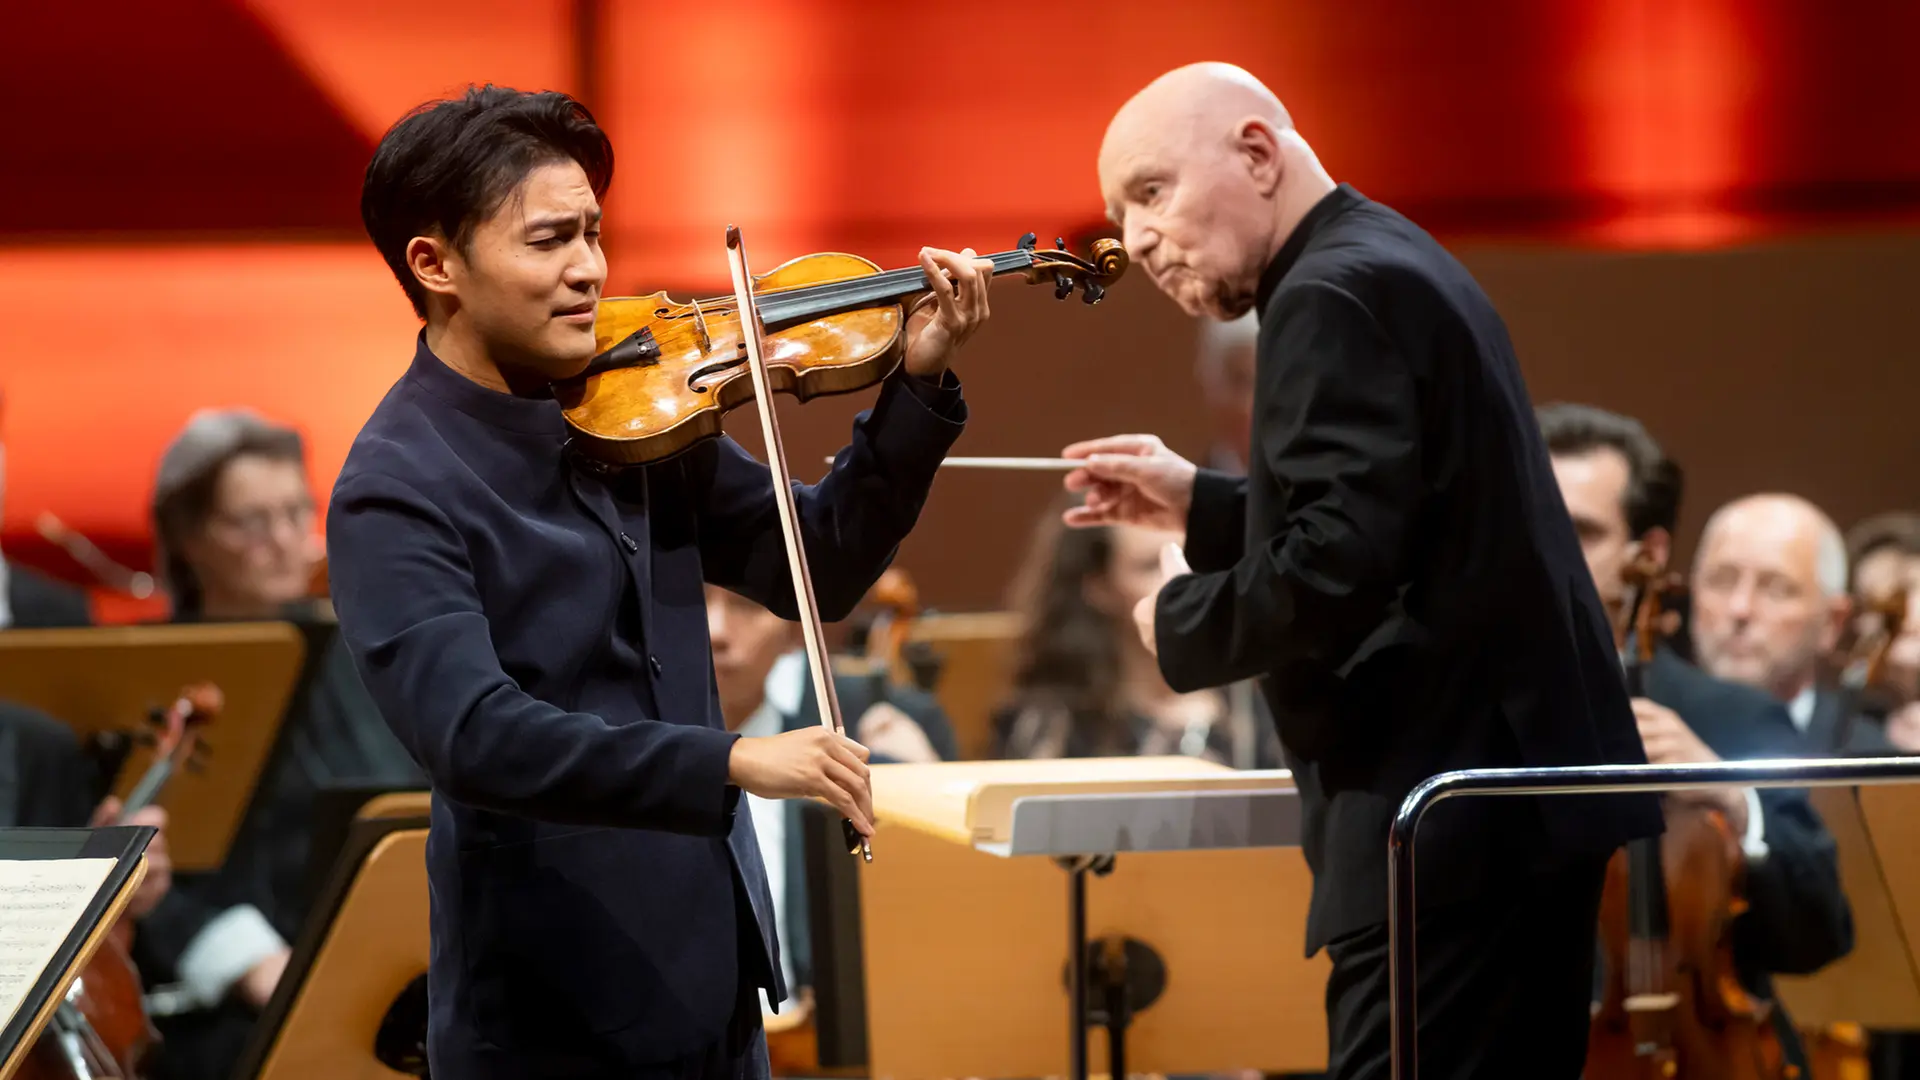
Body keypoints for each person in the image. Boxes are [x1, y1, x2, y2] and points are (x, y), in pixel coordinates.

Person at [326, 85, 989, 1078]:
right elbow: (476, 737)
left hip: (718, 988)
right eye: (548, 241)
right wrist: (730, 760)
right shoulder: (395, 487)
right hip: (551, 1018)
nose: (590, 270)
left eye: (593, 234)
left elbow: (820, 562)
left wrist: (918, 385)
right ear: (435, 264)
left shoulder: (635, 408)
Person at [1058, 63, 1660, 1079]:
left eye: (1152, 192)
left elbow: (1340, 563)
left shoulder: (1328, 293)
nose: (1139, 239)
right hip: (1501, 815)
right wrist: (1201, 502)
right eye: (1123, 216)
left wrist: (1181, 619)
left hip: (1451, 828)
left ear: (1257, 153)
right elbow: (1405, 520)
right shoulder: (1379, 258)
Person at [1538, 403, 1853, 1076]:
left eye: (1582, 531)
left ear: (1648, 556)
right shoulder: (1471, 712)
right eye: (1534, 521)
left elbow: (1820, 929)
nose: (1546, 549)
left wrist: (1735, 801)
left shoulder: (1732, 714)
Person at [133, 408, 424, 1080]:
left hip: (383, 977)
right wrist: (250, 964)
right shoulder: (147, 671)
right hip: (220, 1010)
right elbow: (136, 857)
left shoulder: (360, 651)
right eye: (251, 521)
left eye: (297, 512)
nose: (288, 540)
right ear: (188, 537)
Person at [705, 583, 954, 1020]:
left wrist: (921, 782)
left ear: (792, 627)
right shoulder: (622, 749)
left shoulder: (866, 730)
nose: (716, 631)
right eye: (694, 600)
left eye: (747, 605)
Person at [993, 501, 1280, 768]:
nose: (1185, 582)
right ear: (1099, 588)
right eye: (1152, 566)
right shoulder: (1057, 724)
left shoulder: (1259, 709)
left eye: (1192, 558)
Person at [1690, 492, 1908, 752]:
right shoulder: (1648, 728)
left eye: (1777, 589)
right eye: (1722, 580)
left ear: (1832, 622)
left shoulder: (1874, 758)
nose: (1740, 608)